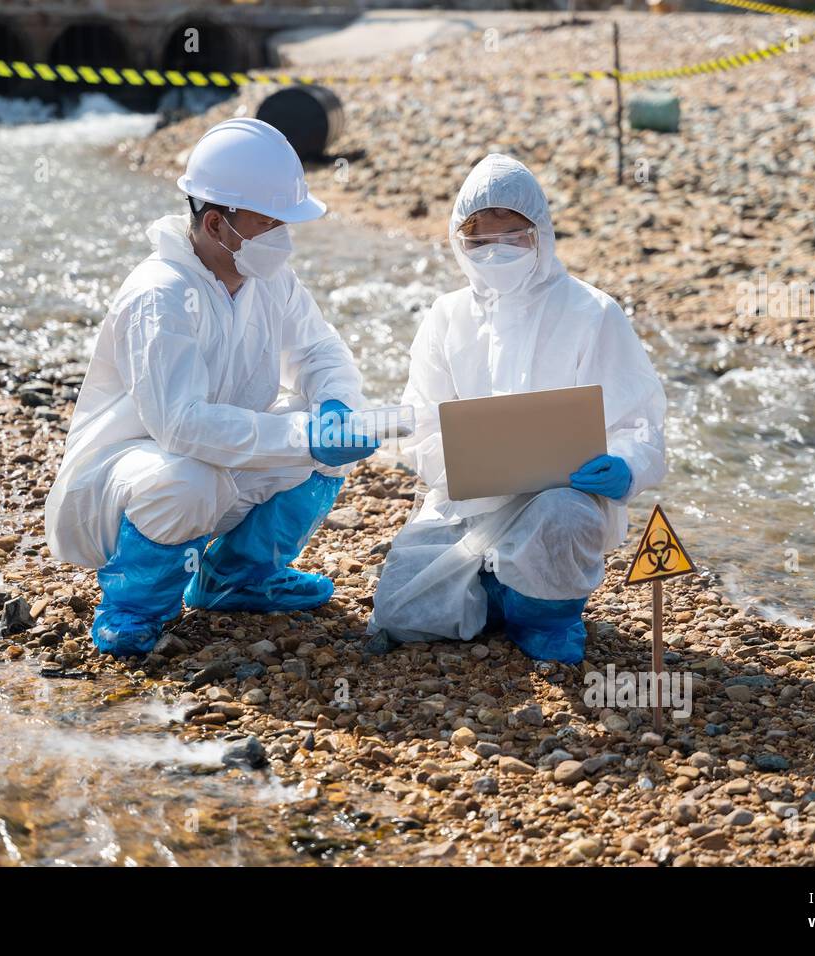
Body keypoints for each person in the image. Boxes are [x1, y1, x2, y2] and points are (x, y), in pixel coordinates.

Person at [44, 118, 378, 658]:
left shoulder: (267, 279)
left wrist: (335, 405)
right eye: (270, 223)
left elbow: (318, 350)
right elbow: (181, 425)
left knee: (325, 434)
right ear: (219, 223)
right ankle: (133, 608)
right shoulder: (160, 296)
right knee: (193, 479)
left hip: (212, 465)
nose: (283, 239)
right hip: (126, 485)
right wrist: (302, 434)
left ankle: (236, 580)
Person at [368, 153, 667, 662]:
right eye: (481, 240)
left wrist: (627, 467)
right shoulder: (447, 316)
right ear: (459, 242)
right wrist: (467, 464)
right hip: (465, 502)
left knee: (562, 517)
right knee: (400, 615)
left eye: (512, 236)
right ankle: (500, 585)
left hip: (558, 499)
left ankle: (544, 615)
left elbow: (638, 420)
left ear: (541, 235)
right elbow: (419, 422)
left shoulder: (591, 312)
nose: (496, 252)